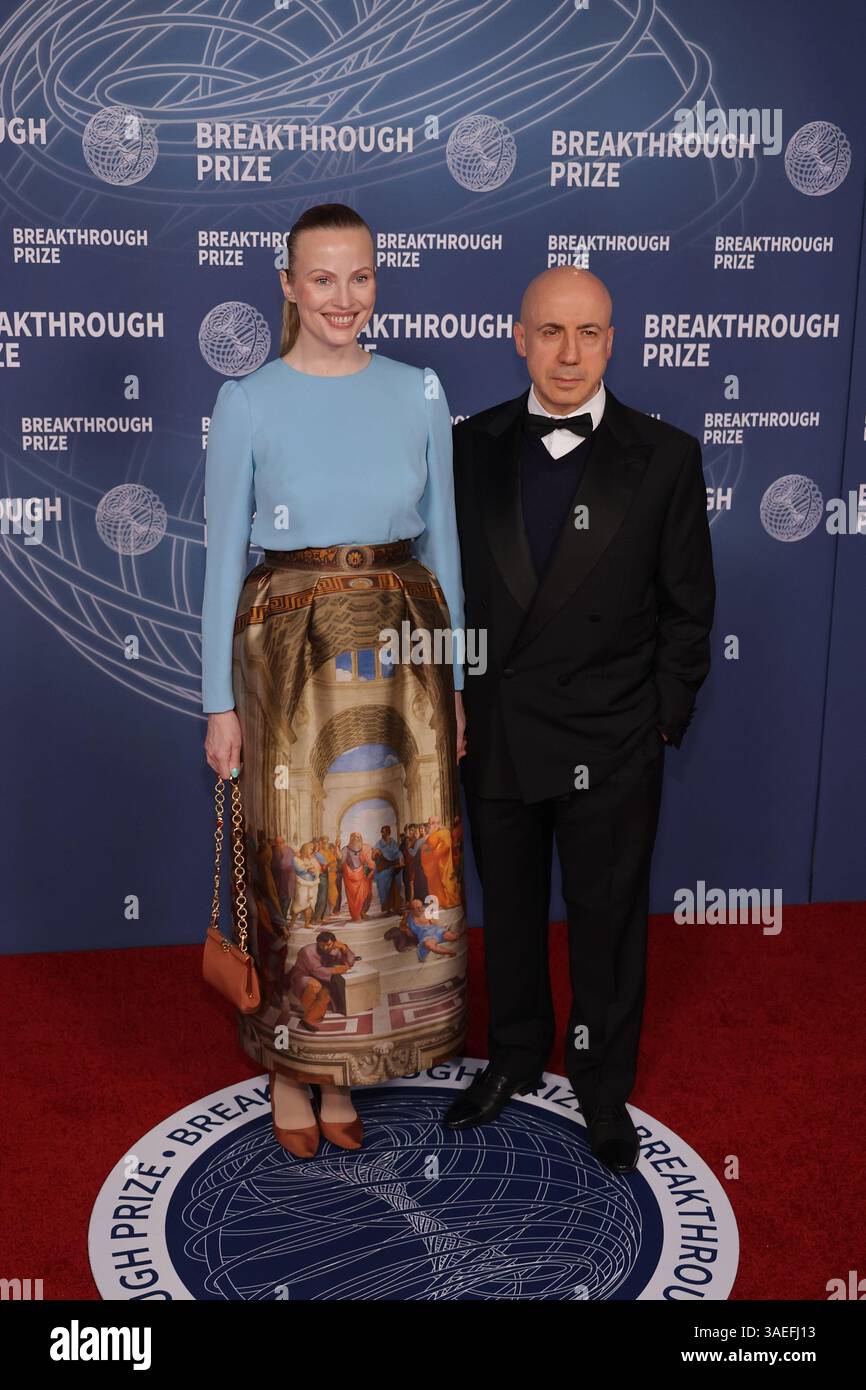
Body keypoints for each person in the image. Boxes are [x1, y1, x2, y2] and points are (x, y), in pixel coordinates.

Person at [201, 203, 468, 1159]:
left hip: (406, 643)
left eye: (358, 278)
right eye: (321, 279)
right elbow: (220, 558)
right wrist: (216, 701)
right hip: (284, 647)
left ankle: (355, 1061)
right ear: (287, 284)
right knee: (297, 856)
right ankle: (292, 1066)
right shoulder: (249, 399)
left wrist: (457, 680)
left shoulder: (419, 390)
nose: (341, 299)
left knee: (395, 859)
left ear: (376, 282)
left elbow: (443, 546)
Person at [445, 267, 715, 1174]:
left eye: (588, 333)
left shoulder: (665, 456)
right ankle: (515, 1057)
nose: (569, 353)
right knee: (511, 913)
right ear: (518, 336)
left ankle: (603, 1089)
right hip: (499, 729)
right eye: (550, 331)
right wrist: (456, 697)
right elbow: (444, 595)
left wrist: (659, 726)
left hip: (614, 738)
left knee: (606, 924)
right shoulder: (466, 446)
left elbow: (688, 611)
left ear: (613, 339)